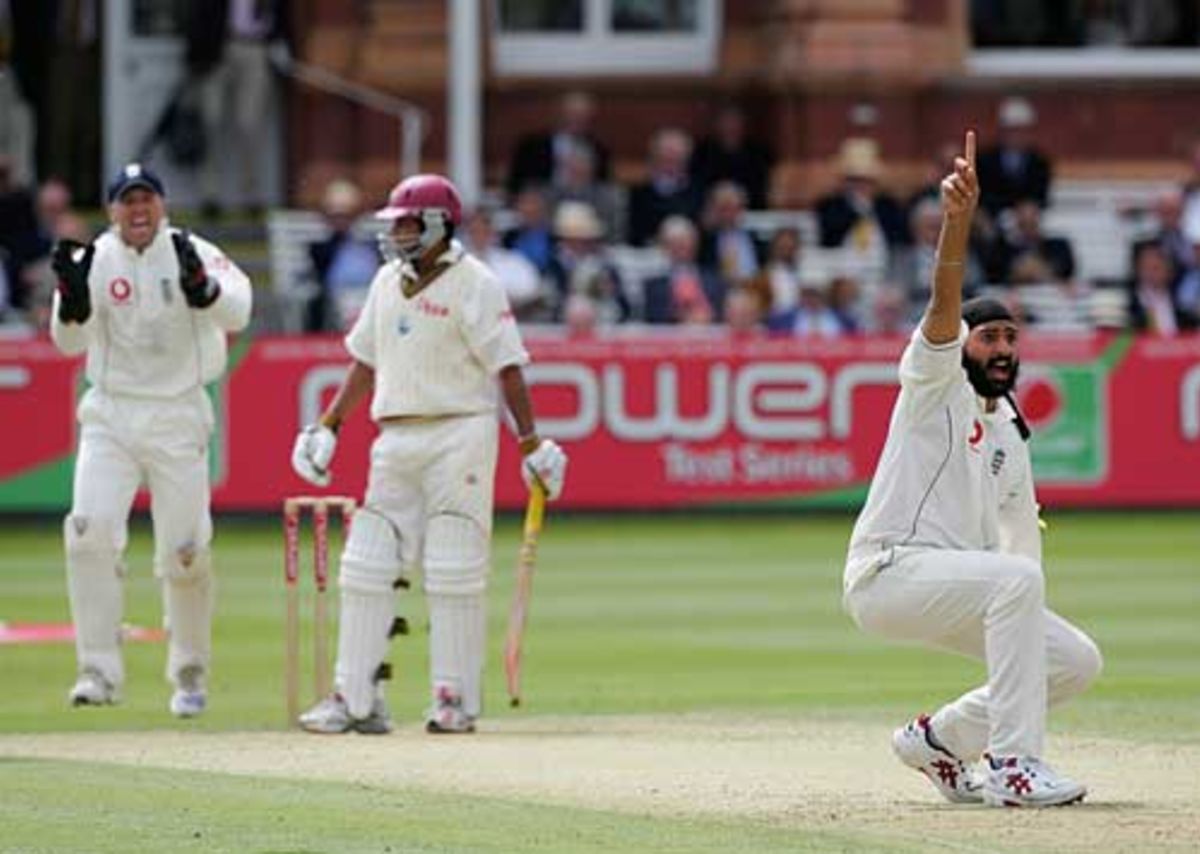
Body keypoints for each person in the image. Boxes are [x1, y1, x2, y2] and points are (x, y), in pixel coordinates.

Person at [842, 132, 1101, 808]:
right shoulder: (934, 384)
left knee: (1073, 661)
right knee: (1014, 584)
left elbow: (1021, 541)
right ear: (964, 345)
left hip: (959, 581)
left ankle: (937, 740)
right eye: (990, 336)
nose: (1003, 347)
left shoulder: (1012, 428)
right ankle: (1014, 767)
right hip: (888, 572)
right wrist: (958, 223)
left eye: (1012, 337)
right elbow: (943, 305)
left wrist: (1022, 615)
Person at [290, 174, 568, 735]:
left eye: (408, 223)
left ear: (439, 225)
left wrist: (531, 442)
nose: (396, 233)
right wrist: (329, 424)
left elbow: (506, 366)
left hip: (460, 432)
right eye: (393, 224)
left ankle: (452, 697)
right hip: (394, 436)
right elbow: (366, 360)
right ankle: (357, 698)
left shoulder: (477, 283)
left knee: (453, 566)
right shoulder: (386, 281)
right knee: (366, 564)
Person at [48, 163, 253, 717]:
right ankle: (97, 671)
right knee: (87, 533)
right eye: (126, 201)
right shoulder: (95, 258)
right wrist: (71, 299)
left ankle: (188, 672)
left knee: (185, 551)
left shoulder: (192, 250)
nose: (138, 210)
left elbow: (240, 307)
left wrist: (203, 290)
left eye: (147, 200)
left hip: (178, 413)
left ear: (161, 205)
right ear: (112, 209)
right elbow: (67, 344)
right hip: (111, 413)